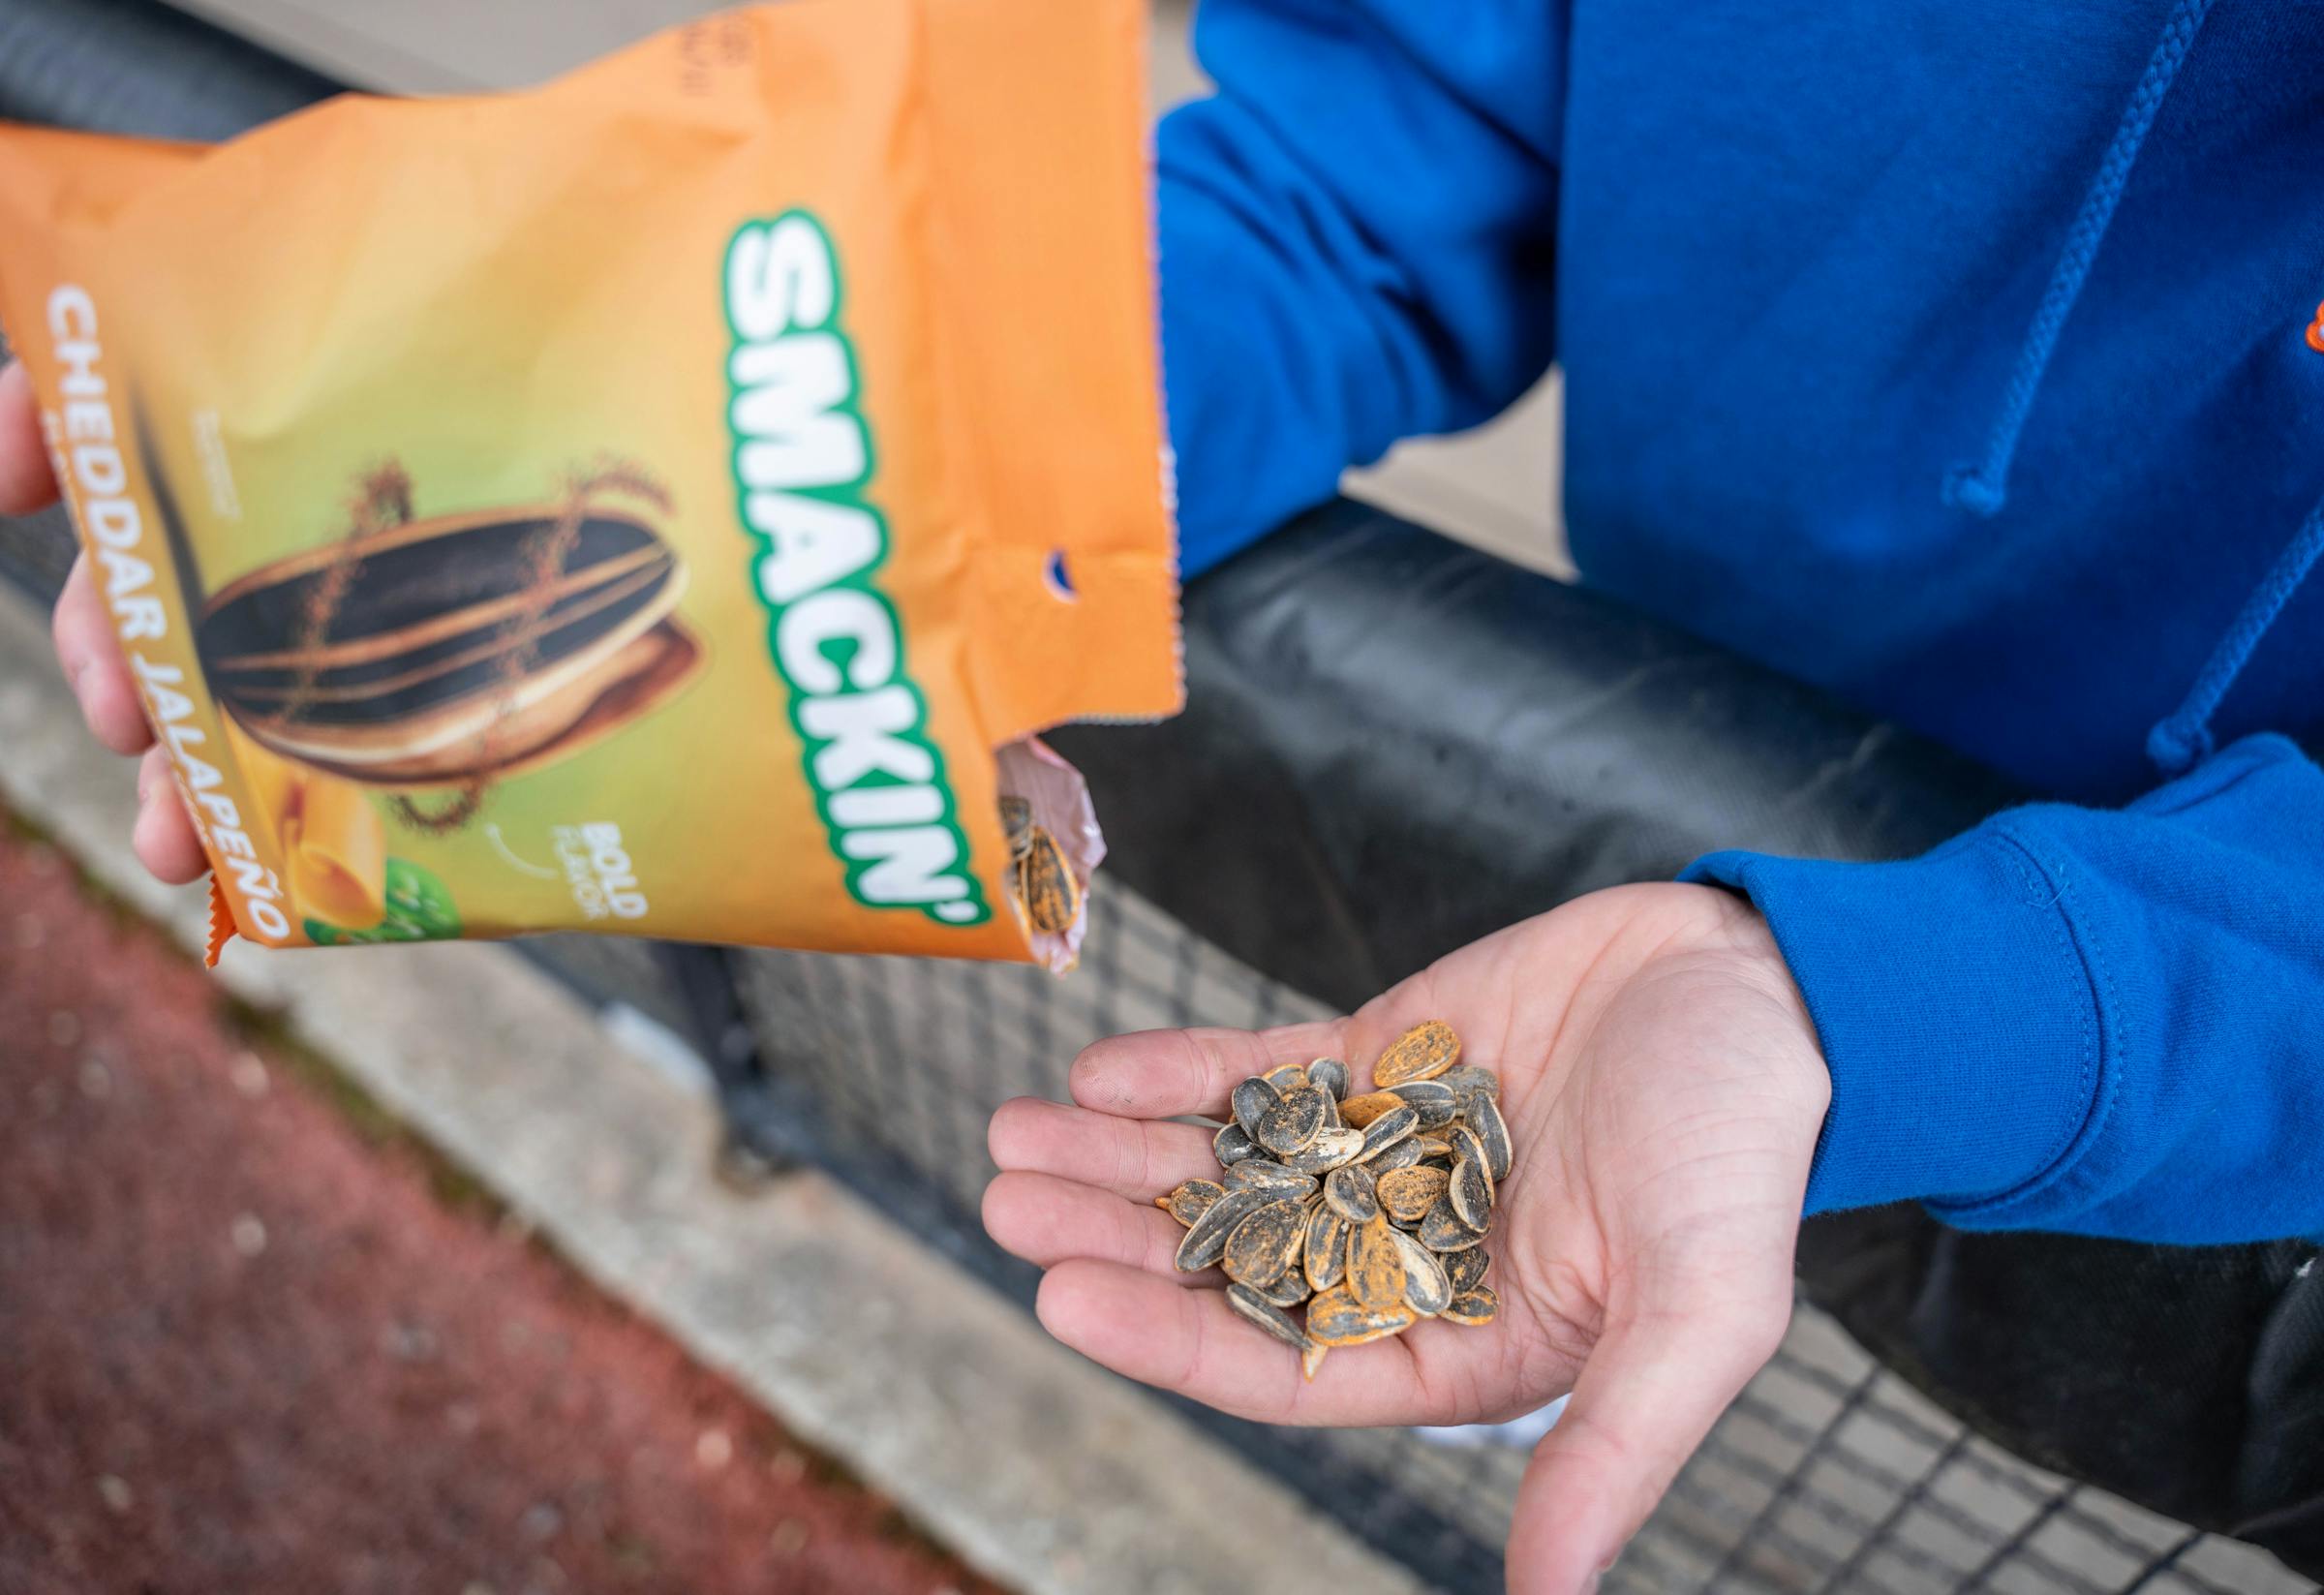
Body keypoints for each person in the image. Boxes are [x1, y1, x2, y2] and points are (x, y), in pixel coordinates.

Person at [10, 2, 2322, 1590]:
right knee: (1585, 1206)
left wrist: (1969, 1009)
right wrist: (839, 480)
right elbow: (1388, 162)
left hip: (2240, 991)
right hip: (1693, 710)